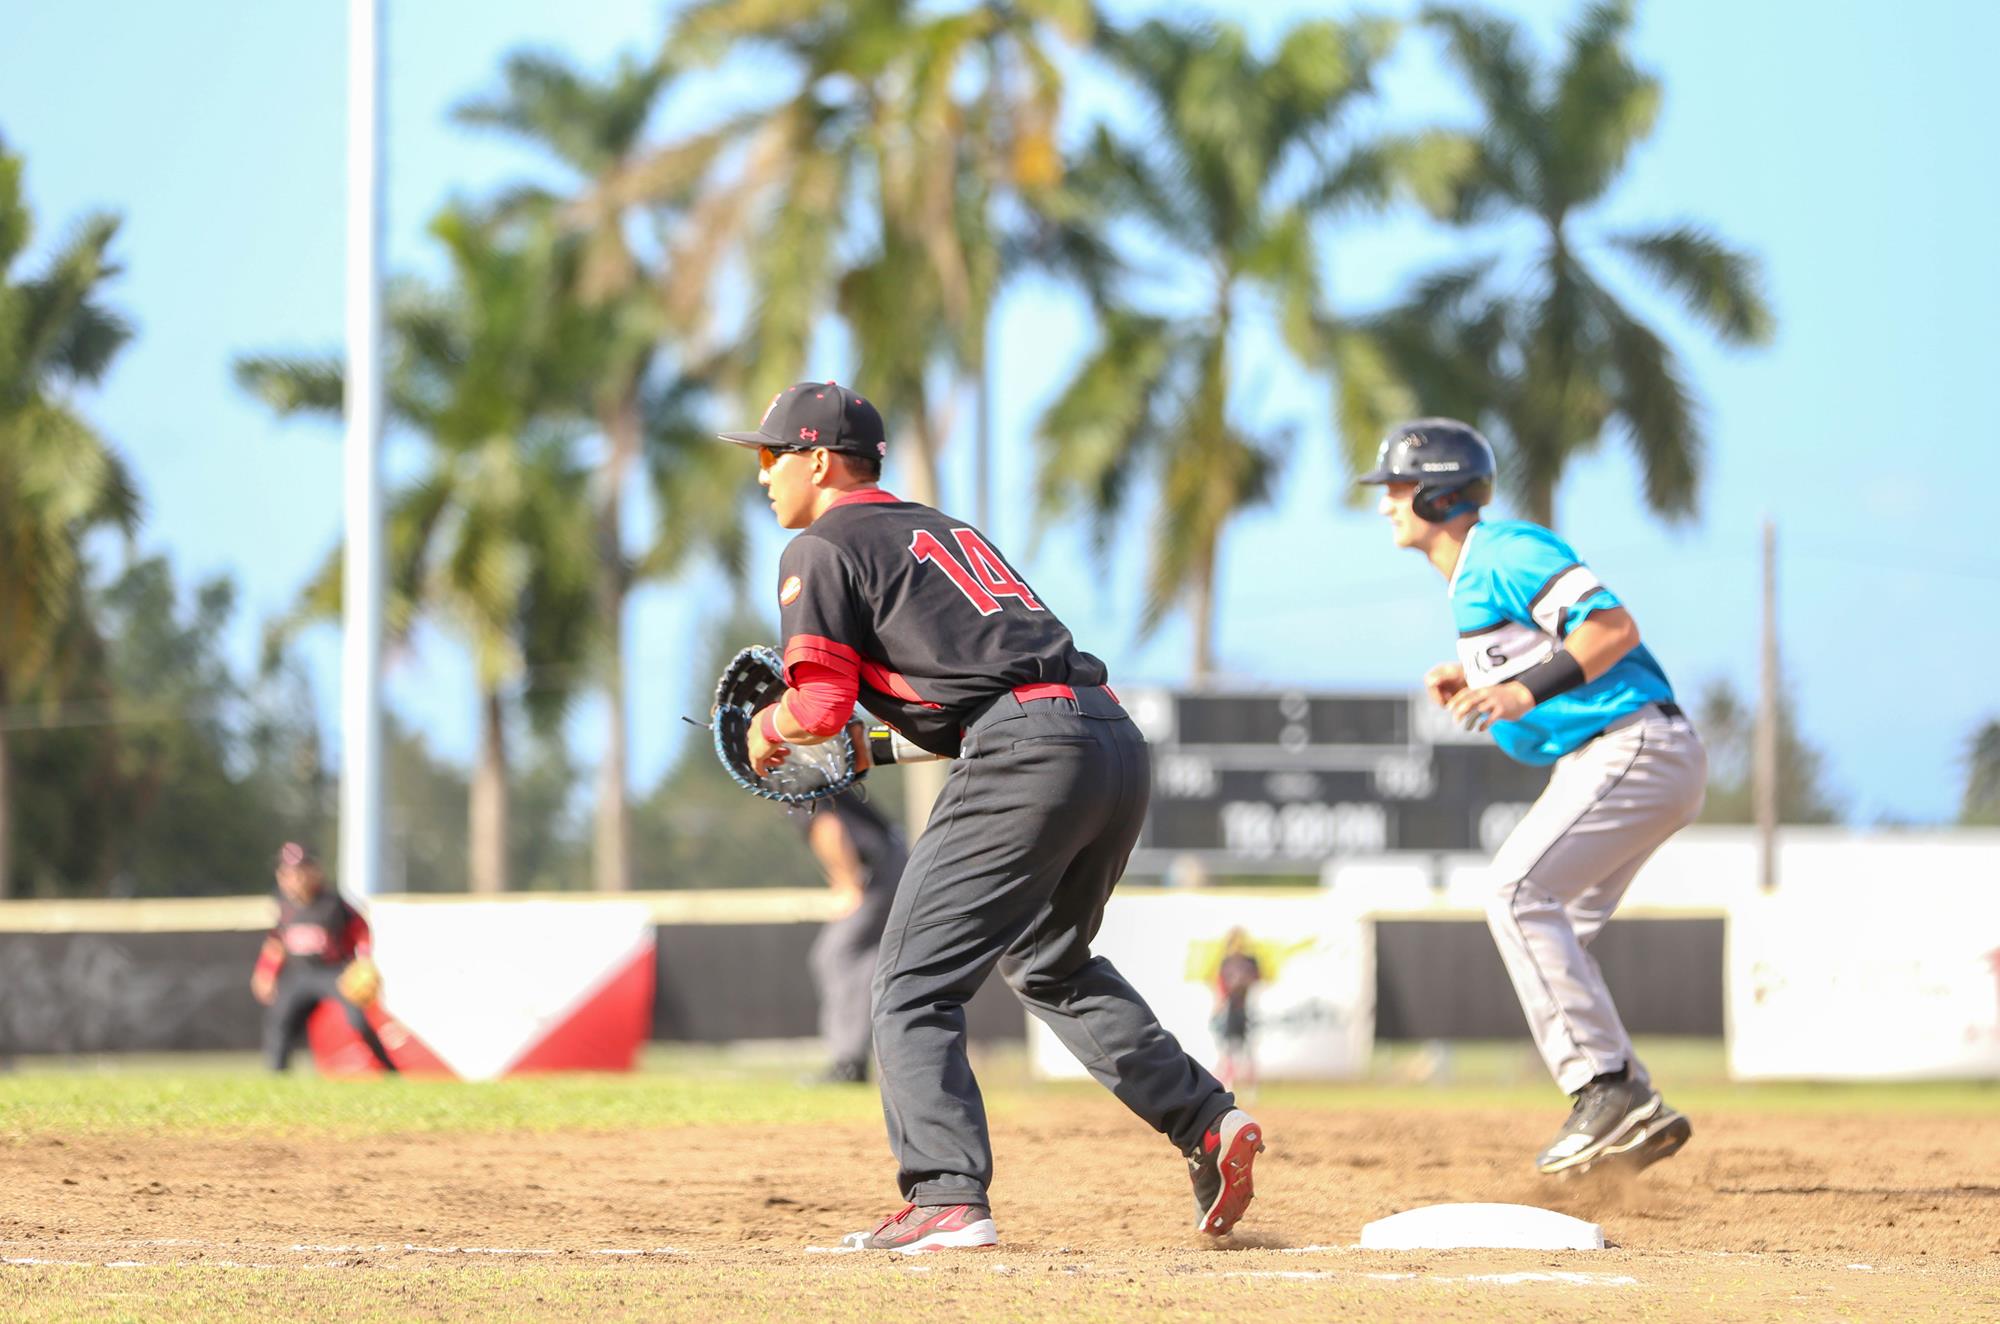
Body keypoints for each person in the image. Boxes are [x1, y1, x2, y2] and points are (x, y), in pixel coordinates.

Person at [721, 380, 1261, 1251]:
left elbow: (818, 707)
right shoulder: (944, 530)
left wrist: (767, 726)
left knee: (906, 981)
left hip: (1027, 752)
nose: (761, 475)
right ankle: (1206, 1120)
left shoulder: (820, 547)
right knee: (1050, 962)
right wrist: (879, 749)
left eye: (770, 456)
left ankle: (944, 1195)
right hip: (1109, 738)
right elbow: (999, 689)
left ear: (818, 460)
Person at [1358, 418, 1702, 1178]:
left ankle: (1606, 1089)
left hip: (1632, 742)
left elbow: (1611, 628)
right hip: (1631, 750)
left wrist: (1515, 688)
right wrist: (1478, 681)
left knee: (1515, 892)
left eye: (1398, 486)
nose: (1386, 502)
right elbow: (1542, 681)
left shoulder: (1507, 550)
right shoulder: (1472, 579)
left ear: (1441, 491)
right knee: (1557, 931)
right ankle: (1633, 1101)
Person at [249, 842, 397, 1074]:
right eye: (286, 873)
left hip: (333, 972)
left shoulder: (332, 903)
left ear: (313, 871)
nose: (293, 878)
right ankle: (277, 1079)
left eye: (299, 872)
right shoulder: (283, 904)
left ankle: (389, 1070)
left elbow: (360, 930)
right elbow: (276, 942)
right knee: (279, 1021)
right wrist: (265, 971)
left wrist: (364, 959)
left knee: (357, 1021)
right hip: (298, 974)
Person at [801, 786, 907, 1084]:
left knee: (837, 956)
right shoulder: (808, 763)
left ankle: (848, 1063)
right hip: (887, 859)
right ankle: (857, 1060)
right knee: (863, 960)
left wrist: (848, 883)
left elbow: (829, 828)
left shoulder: (788, 770)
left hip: (878, 867)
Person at [1210, 927, 1262, 1096]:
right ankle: (1228, 1085)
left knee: (1248, 1051)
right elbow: (1220, 986)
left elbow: (1256, 984)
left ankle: (1250, 1089)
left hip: (1246, 1009)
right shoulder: (1226, 961)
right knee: (1228, 1050)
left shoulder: (1250, 961)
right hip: (1230, 1010)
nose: (1237, 945)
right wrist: (1218, 1005)